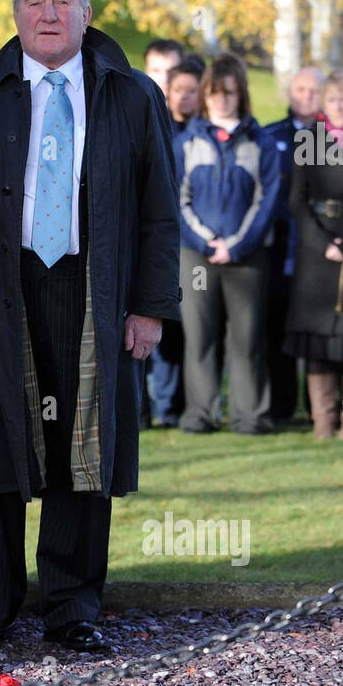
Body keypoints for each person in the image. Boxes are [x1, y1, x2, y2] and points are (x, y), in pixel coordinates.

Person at [0, 0, 181, 654]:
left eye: (62, 0)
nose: (47, 13)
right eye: (34, 0)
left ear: (86, 13)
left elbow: (160, 210)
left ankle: (72, 607)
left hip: (93, 288)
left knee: (82, 445)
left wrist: (150, 306)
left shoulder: (132, 96)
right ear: (15, 14)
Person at [174, 54, 281, 434]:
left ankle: (249, 415)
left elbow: (266, 202)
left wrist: (235, 246)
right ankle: (200, 414)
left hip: (248, 259)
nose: (221, 100)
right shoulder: (187, 142)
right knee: (200, 336)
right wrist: (205, 242)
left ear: (241, 95)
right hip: (197, 260)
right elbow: (176, 200)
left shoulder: (261, 143)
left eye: (229, 93)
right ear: (206, 95)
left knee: (247, 337)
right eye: (214, 93)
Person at [285, 70, 343, 439]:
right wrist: (321, 242)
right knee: (319, 342)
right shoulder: (308, 139)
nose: (339, 107)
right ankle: (322, 421)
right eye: (332, 100)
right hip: (316, 253)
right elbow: (296, 200)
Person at [260, 65, 324, 425]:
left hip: (319, 248)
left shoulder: (335, 139)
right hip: (279, 248)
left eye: (313, 90)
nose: (306, 97)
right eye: (300, 90)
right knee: (278, 330)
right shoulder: (271, 137)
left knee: (315, 330)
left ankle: (319, 409)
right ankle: (282, 408)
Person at [145, 56, 204, 426]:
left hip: (194, 246)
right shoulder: (154, 126)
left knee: (188, 330)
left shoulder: (205, 134)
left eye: (190, 91)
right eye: (176, 90)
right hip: (160, 241)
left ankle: (182, 405)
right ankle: (158, 407)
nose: (183, 98)